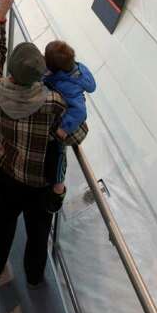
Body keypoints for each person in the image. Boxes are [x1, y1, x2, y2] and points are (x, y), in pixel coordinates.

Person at [0, 0, 86, 288]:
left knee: (3, 220)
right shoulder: (54, 103)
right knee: (39, 232)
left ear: (10, 71)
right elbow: (77, 133)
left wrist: (1, 15)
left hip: (8, 174)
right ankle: (34, 275)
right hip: (40, 184)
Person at [41, 40, 97, 212]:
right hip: (59, 113)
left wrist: (63, 129)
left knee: (58, 152)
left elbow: (79, 111)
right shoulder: (75, 69)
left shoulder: (67, 85)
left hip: (65, 124)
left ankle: (57, 193)